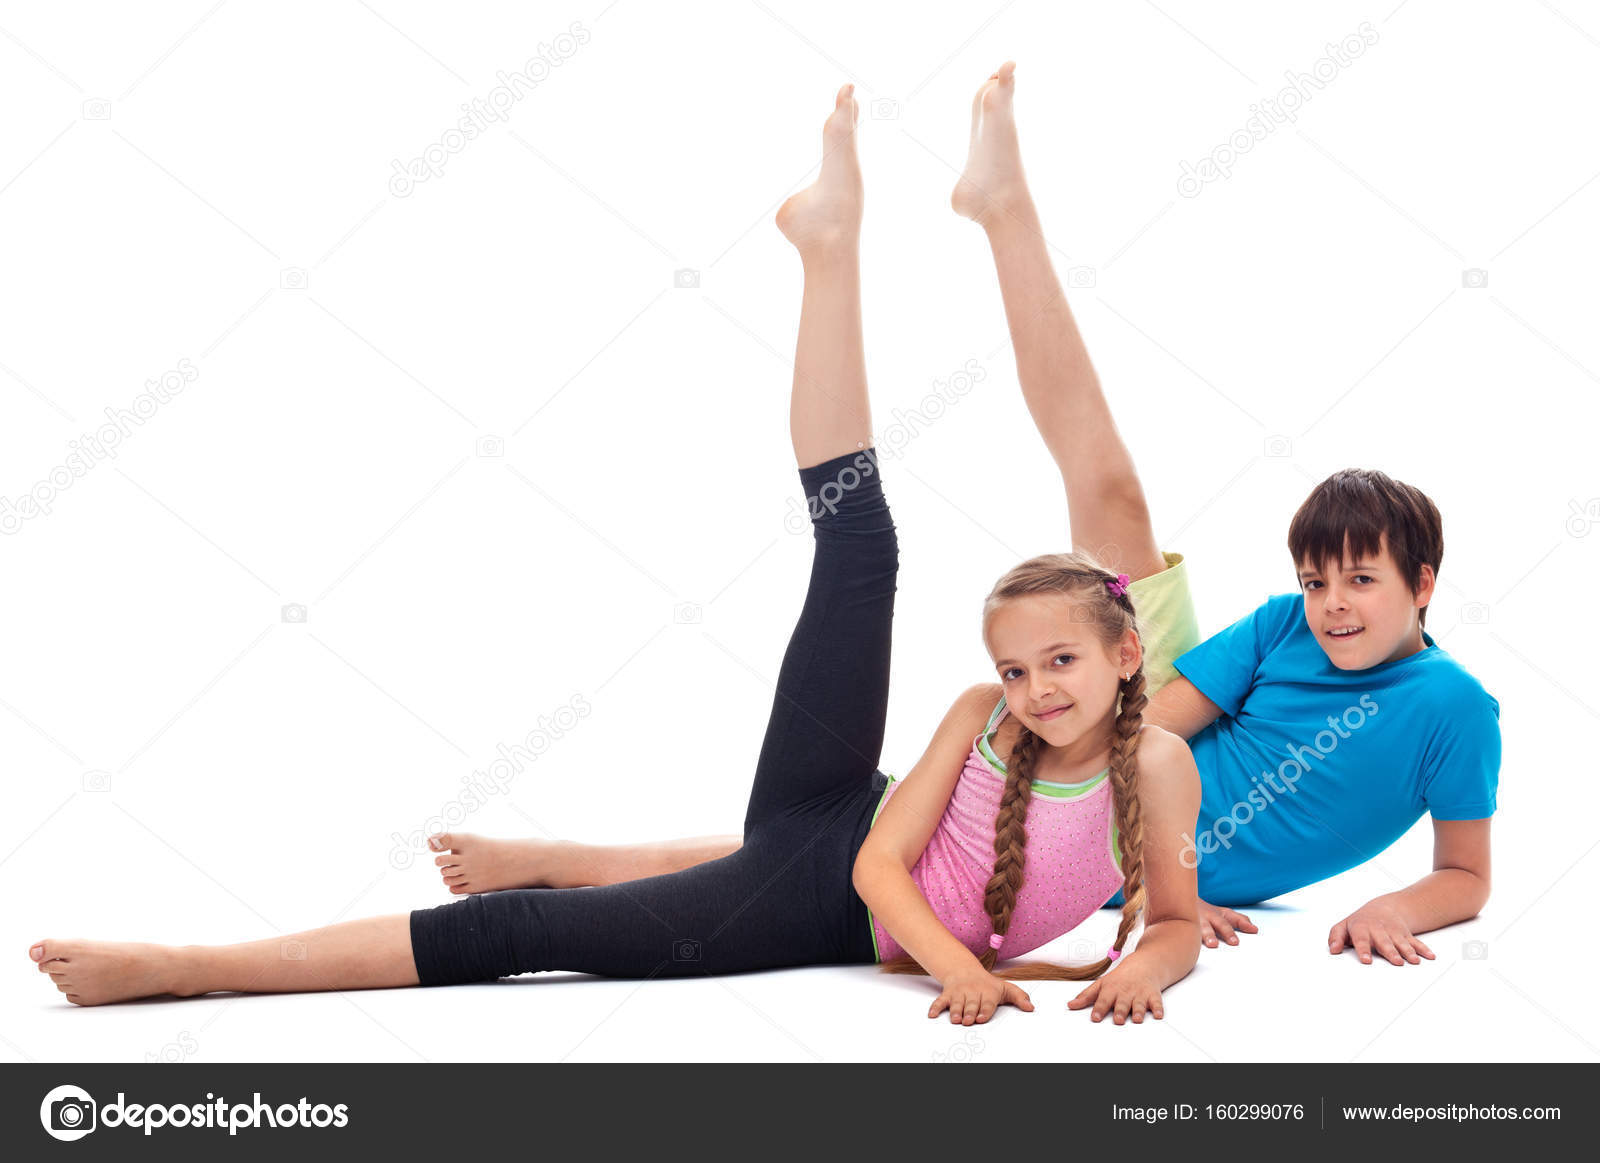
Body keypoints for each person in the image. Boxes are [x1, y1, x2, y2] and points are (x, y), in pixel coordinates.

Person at [30, 69, 1204, 1025]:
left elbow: (1171, 920)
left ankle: (213, 953)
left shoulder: (1155, 764)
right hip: (827, 860)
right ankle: (830, 245)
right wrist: (963, 966)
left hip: (810, 878)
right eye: (1017, 664)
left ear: (1120, 648)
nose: (1035, 687)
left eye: (1059, 663)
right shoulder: (980, 716)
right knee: (860, 547)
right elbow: (873, 870)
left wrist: (1143, 964)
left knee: (535, 931)